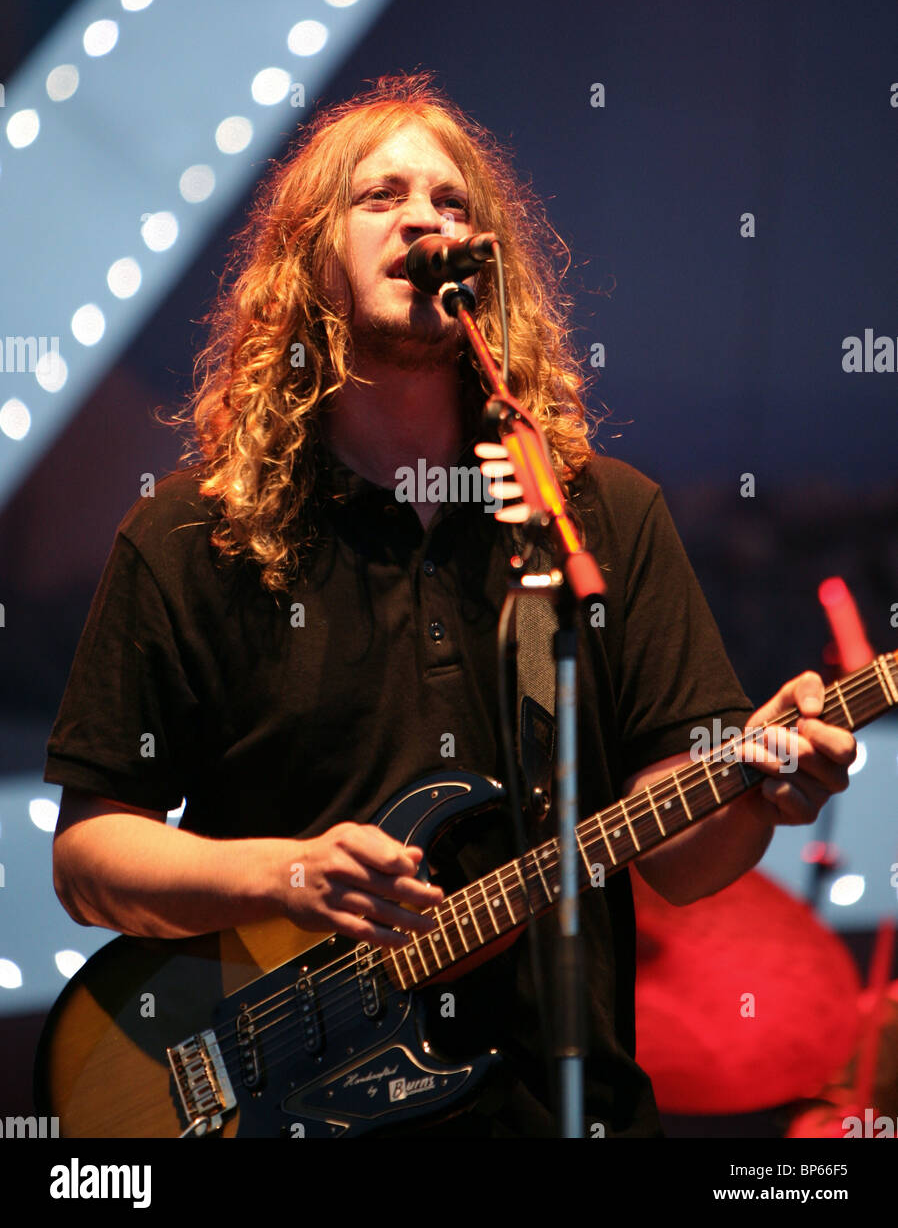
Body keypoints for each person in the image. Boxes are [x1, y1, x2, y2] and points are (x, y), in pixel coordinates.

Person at [45, 72, 856, 1138]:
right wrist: (288, 873)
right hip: (284, 1097)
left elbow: (676, 857)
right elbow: (92, 857)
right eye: (380, 196)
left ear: (488, 266)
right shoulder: (194, 540)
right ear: (304, 262)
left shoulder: (598, 517)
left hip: (564, 1110)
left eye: (454, 203)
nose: (426, 216)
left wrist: (760, 798)